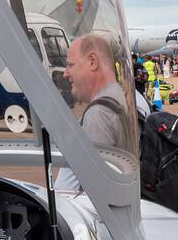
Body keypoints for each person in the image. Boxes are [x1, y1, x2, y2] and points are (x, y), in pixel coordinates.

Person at [56, 33, 132, 194]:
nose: (65, 73)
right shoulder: (116, 97)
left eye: (71, 65)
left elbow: (96, 192)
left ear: (92, 62)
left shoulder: (99, 114)